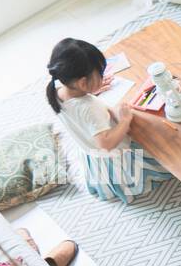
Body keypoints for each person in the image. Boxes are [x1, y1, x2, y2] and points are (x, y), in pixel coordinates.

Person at [45, 37, 172, 202]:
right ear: (82, 83)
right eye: (99, 74)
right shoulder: (89, 108)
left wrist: (91, 89)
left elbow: (78, 112)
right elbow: (105, 144)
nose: (102, 76)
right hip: (117, 157)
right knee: (165, 150)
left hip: (93, 156)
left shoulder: (57, 90)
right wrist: (125, 121)